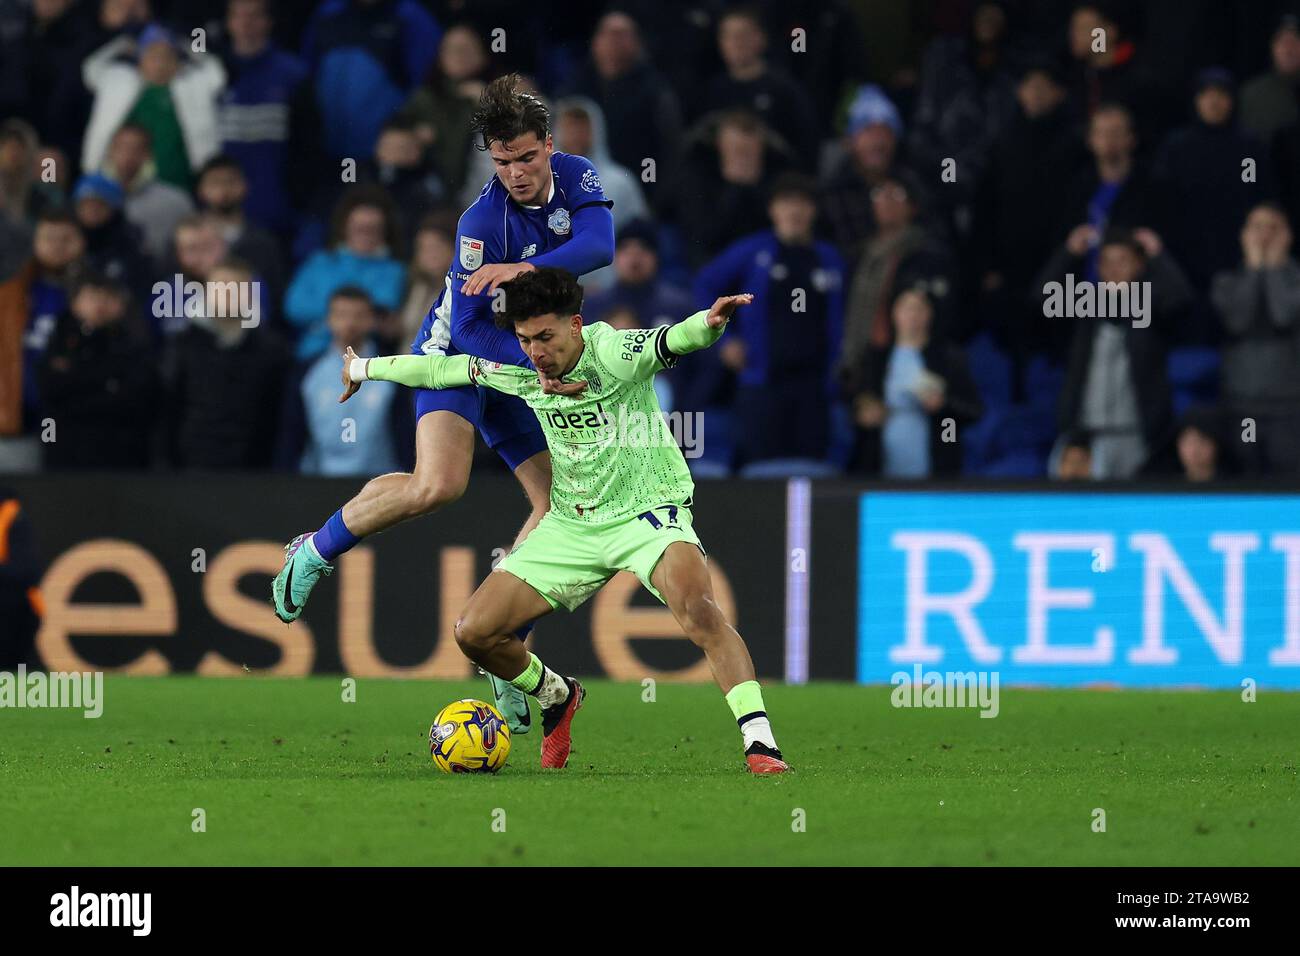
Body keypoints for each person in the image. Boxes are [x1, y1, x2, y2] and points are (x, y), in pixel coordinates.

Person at [337, 267, 787, 774]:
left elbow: (671, 340)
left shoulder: (611, 354)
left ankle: (760, 743)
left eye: (546, 337)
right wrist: (364, 369)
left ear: (575, 325)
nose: (536, 351)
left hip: (647, 513)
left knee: (700, 610)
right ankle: (557, 694)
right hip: (571, 525)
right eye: (526, 339)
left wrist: (710, 323)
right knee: (474, 633)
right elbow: (441, 372)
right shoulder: (524, 368)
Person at [271, 75, 615, 737]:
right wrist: (534, 366)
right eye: (501, 160)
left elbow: (599, 249)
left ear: (549, 145)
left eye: (526, 157)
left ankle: (505, 638)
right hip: (462, 355)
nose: (516, 172)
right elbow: (469, 330)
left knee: (557, 503)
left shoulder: (578, 177)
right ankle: (315, 550)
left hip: (520, 353)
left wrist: (520, 275)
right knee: (437, 485)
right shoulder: (479, 222)